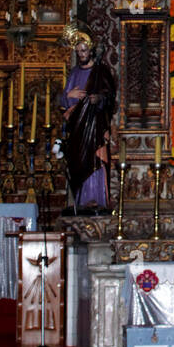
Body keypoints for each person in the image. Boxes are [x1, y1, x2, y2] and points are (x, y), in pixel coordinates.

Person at [59, 23, 117, 213]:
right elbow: (62, 100)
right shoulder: (75, 73)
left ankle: (97, 200)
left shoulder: (101, 72)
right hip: (77, 128)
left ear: (90, 50)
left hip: (94, 125)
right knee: (79, 163)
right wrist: (69, 96)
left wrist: (98, 98)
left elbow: (110, 97)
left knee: (96, 161)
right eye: (78, 52)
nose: (82, 54)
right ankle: (81, 202)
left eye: (84, 50)